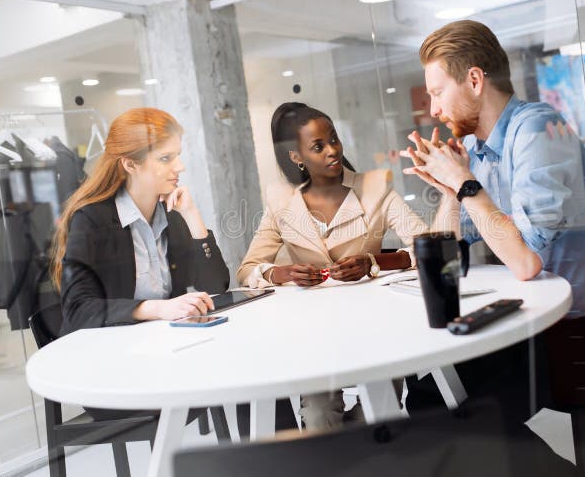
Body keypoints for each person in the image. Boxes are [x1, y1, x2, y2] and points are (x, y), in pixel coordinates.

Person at [399, 20, 585, 421]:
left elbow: (526, 260)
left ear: (475, 80)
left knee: (441, 401)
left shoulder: (537, 130)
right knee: (426, 385)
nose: (434, 110)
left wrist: (465, 185)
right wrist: (450, 191)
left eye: (438, 92)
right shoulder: (475, 148)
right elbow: (450, 254)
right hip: (537, 327)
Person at [237, 101, 428, 430]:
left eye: (334, 139)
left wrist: (373, 262)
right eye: (318, 146)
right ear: (296, 157)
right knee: (317, 418)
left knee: (381, 413)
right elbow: (248, 269)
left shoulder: (375, 188)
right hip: (314, 334)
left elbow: (427, 247)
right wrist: (278, 273)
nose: (332, 150)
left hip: (375, 326)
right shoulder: (282, 202)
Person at [51, 107, 229, 336]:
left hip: (161, 342)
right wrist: (156, 308)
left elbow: (216, 285)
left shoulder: (171, 213)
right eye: (166, 158)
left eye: (178, 155)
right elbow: (78, 310)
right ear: (130, 165)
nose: (180, 167)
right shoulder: (91, 219)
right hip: (106, 351)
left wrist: (192, 216)